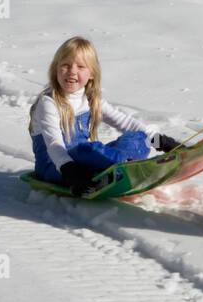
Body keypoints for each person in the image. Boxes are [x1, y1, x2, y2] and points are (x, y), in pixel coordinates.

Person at [28, 36, 182, 196]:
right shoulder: (49, 103)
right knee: (86, 149)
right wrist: (71, 172)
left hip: (87, 161)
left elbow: (125, 123)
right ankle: (128, 167)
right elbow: (54, 145)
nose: (72, 71)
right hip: (57, 167)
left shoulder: (91, 99)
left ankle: (124, 167)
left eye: (80, 66)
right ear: (56, 69)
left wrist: (161, 142)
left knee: (139, 136)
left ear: (91, 74)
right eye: (65, 65)